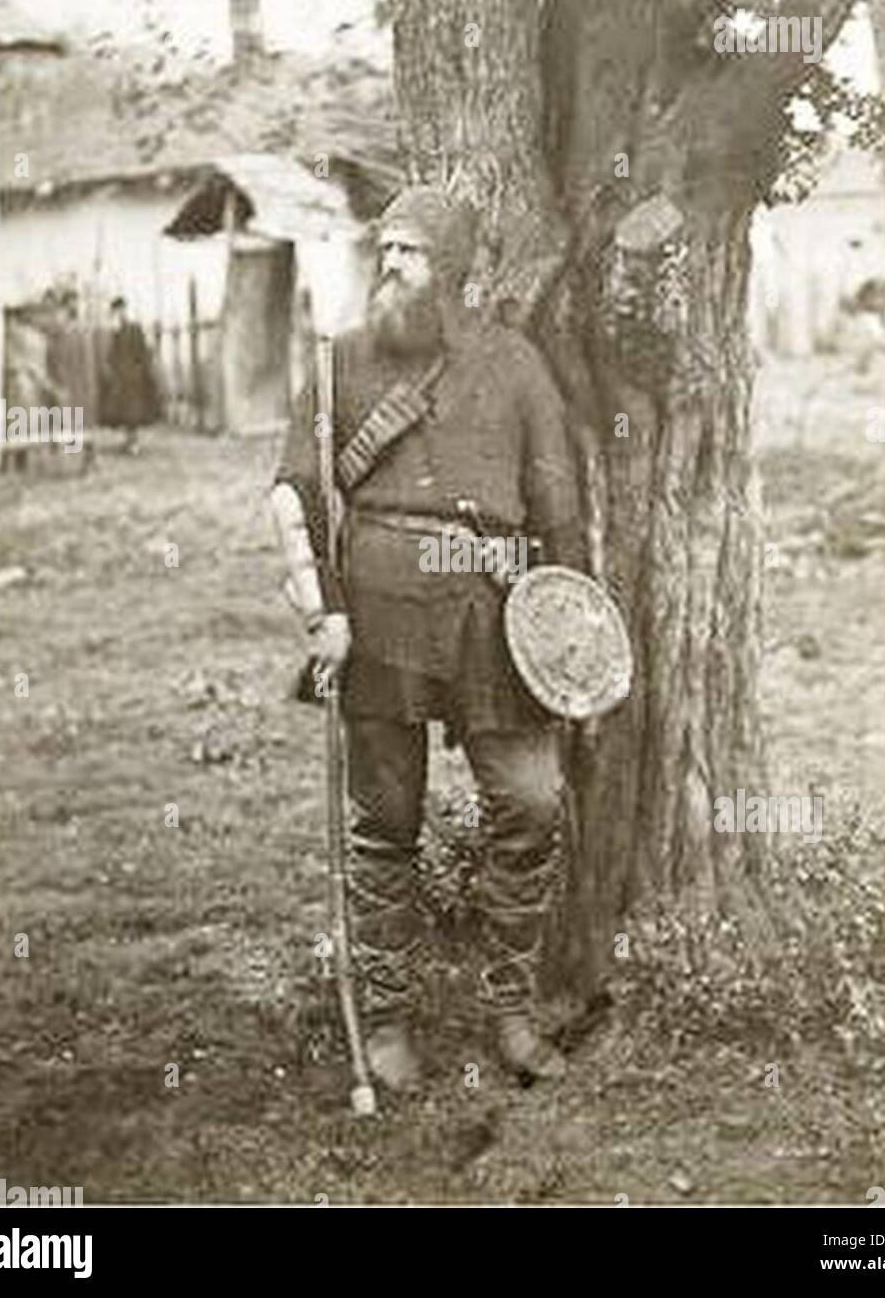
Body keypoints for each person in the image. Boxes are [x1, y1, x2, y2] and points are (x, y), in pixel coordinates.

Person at [270, 186, 587, 1092]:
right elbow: (295, 494)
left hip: (496, 615)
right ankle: (387, 1019)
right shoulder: (338, 367)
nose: (391, 266)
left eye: (409, 252)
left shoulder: (517, 367)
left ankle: (511, 1010)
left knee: (530, 801)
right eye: (386, 250)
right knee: (385, 825)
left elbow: (560, 513)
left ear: (454, 267)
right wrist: (324, 609)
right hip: (376, 617)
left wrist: (570, 633)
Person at [102, 297, 158, 453]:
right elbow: (112, 354)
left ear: (124, 310)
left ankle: (134, 442)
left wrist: (141, 370)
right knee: (124, 411)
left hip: (133, 376)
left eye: (120, 310)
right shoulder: (115, 331)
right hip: (121, 376)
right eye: (115, 311)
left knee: (133, 411)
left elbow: (142, 351)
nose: (117, 314)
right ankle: (129, 440)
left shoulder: (134, 328)